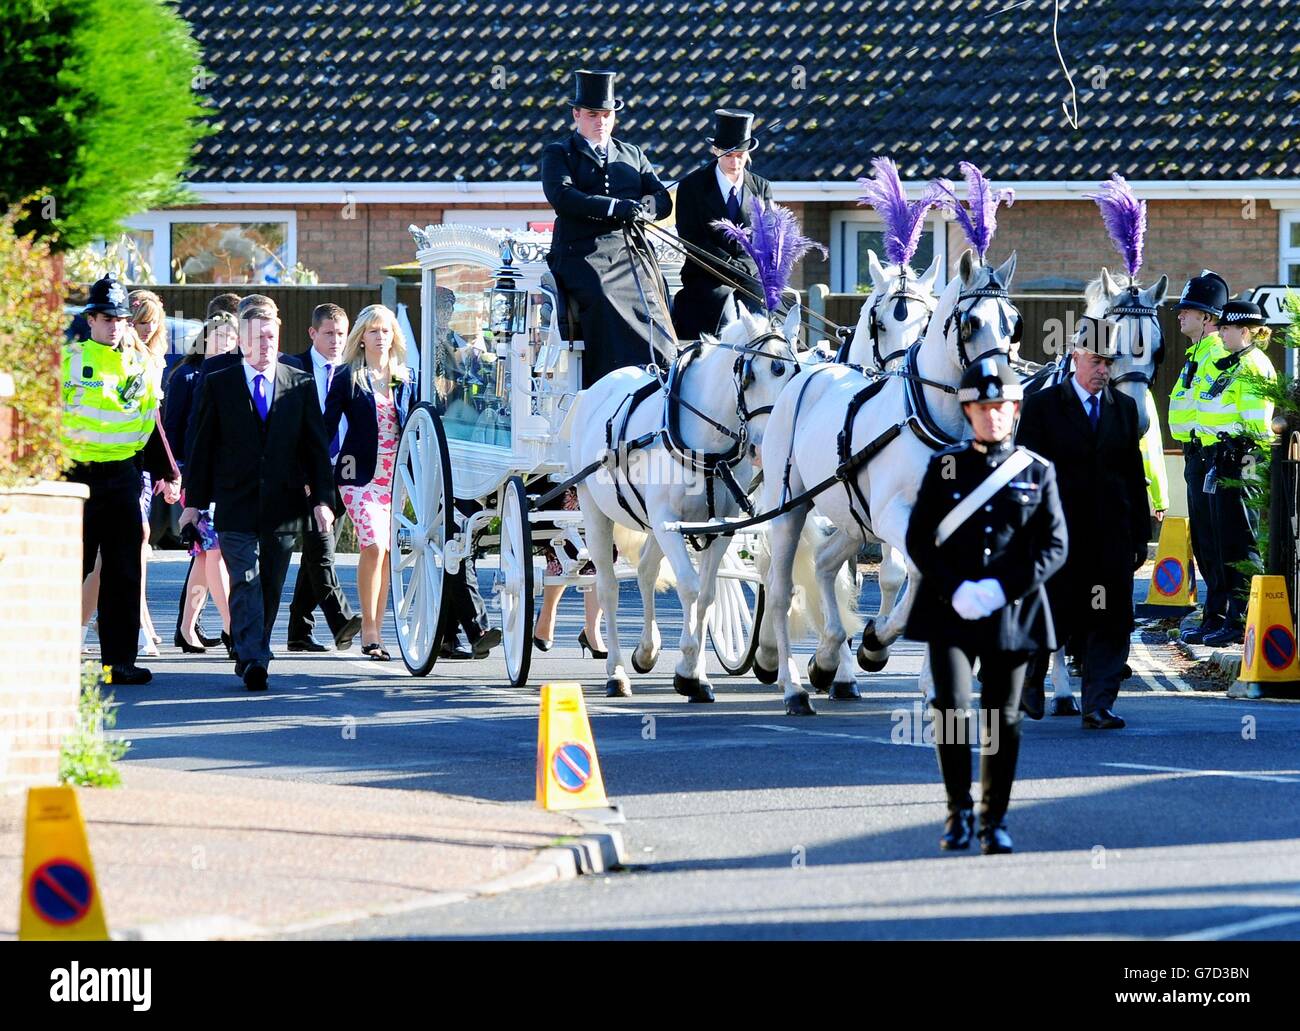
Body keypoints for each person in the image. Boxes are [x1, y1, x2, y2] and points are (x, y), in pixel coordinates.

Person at [905, 358, 1067, 855]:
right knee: (951, 709)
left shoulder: (1037, 471)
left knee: (1003, 719)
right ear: (968, 410)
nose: (992, 416)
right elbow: (919, 538)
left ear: (1014, 409)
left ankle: (993, 818)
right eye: (981, 407)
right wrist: (955, 587)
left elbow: (1053, 545)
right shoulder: (945, 464)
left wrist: (1000, 588)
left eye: (1001, 406)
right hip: (949, 608)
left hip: (1012, 610)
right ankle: (957, 812)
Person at [181, 296, 335, 691]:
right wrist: (194, 504)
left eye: (271, 336)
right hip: (235, 501)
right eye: (258, 337)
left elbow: (315, 447)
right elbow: (201, 446)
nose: (266, 343)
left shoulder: (298, 382)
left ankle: (254, 647)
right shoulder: (219, 382)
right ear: (242, 341)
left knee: (270, 584)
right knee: (245, 577)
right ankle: (253, 658)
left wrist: (321, 500)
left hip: (283, 506)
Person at [1016, 322, 1151, 730]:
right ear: (1075, 356)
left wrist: (1139, 535)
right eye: (1096, 361)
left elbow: (1132, 472)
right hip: (1056, 535)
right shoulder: (1040, 406)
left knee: (1109, 619)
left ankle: (1099, 704)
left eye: (1109, 362)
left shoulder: (1123, 409)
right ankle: (1029, 682)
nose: (1103, 370)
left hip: (1109, 535)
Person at [63, 276, 180, 685]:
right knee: (67, 570)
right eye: (107, 318)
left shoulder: (141, 364)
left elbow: (152, 423)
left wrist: (168, 472)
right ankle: (48, 655)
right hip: (74, 478)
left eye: (121, 319)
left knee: (124, 573)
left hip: (123, 477)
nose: (115, 326)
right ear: (91, 319)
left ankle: (118, 664)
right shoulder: (69, 360)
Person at [541, 69, 675, 388]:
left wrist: (645, 208)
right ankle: (610, 382)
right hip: (583, 254)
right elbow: (562, 196)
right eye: (592, 114)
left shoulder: (633, 155)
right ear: (577, 114)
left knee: (654, 302)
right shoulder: (559, 153)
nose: (600, 121)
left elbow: (662, 199)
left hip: (630, 253)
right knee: (604, 297)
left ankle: (664, 372)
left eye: (606, 114)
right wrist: (615, 207)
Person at [324, 304, 416, 661]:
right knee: (374, 545)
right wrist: (315, 472)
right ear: (361, 338)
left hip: (396, 478)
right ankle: (369, 631)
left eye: (386, 330)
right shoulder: (349, 376)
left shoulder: (405, 378)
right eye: (374, 331)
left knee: (389, 553)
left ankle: (377, 626)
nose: (381, 337)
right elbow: (326, 426)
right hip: (356, 474)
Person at [281, 303, 363, 652]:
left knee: (315, 552)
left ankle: (299, 629)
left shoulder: (351, 372)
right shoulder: (293, 368)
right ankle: (340, 618)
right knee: (322, 545)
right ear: (313, 333)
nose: (335, 340)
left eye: (341, 334)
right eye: (329, 333)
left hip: (343, 472)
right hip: (305, 472)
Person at [1196, 297, 1276, 646]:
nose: (1220, 331)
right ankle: (1232, 616)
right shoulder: (1234, 362)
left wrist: (1231, 443)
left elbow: (1256, 424)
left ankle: (1242, 620)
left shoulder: (1254, 366)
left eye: (1226, 327)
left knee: (1241, 542)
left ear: (1244, 330)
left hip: (1243, 459)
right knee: (1225, 542)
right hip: (1223, 458)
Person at [164, 311, 239, 652]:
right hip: (194, 474)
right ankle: (231, 626)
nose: (225, 342)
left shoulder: (236, 375)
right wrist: (175, 472)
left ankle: (186, 626)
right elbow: (174, 427)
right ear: (205, 339)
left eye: (232, 336)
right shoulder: (188, 375)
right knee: (215, 551)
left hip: (225, 476)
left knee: (204, 556)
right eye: (219, 336)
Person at [670, 109, 775, 340]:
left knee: (765, 331)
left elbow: (766, 236)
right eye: (729, 155)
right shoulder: (692, 186)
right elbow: (691, 236)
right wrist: (728, 265)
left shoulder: (761, 186)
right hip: (707, 279)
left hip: (750, 279)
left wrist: (748, 268)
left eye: (740, 155)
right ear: (715, 151)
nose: (735, 162)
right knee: (722, 323)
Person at [1168, 269, 1230, 643]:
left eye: (1188, 309)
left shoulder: (1217, 353)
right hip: (1196, 457)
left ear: (1207, 317)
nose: (1180, 315)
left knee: (1220, 541)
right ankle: (1214, 614)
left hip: (1213, 456)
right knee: (1206, 541)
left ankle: (1225, 616)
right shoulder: (1197, 353)